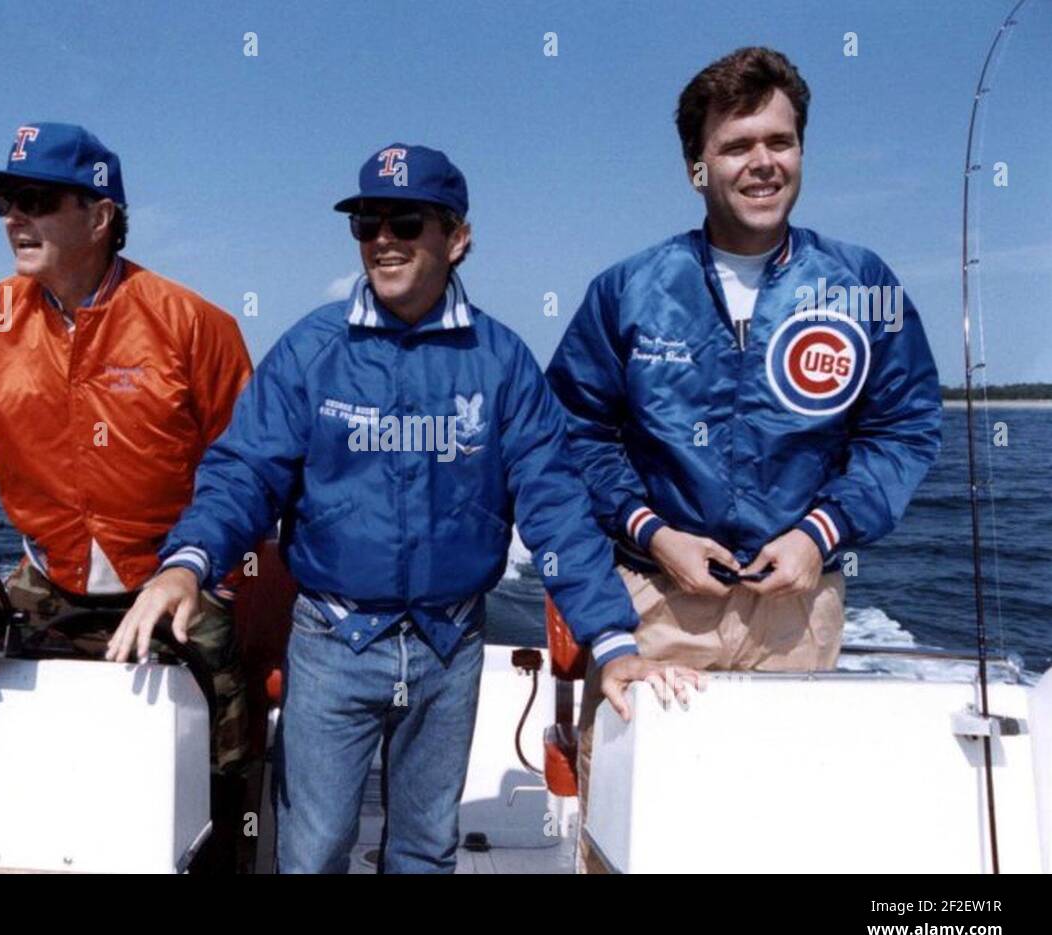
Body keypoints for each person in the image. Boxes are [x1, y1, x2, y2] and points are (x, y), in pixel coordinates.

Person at [109, 143, 643, 873]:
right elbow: (244, 473)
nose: (383, 239)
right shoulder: (310, 351)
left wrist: (611, 640)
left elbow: (555, 507)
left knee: (425, 851)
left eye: (405, 221)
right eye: (366, 224)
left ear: (457, 239)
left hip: (450, 645)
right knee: (313, 850)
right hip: (330, 641)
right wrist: (187, 563)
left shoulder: (504, 362)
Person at [545, 48, 943, 873]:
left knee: (777, 835)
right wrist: (653, 533)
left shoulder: (861, 284)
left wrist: (821, 533)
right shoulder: (628, 289)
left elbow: (903, 428)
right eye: (737, 146)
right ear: (697, 166)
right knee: (629, 836)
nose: (763, 162)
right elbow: (573, 433)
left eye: (781, 140)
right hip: (655, 608)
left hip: (798, 610)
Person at [0, 122, 254, 867]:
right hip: (47, 576)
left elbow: (246, 467)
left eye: (34, 199)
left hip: (167, 580)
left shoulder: (195, 325)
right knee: (15, 740)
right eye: (4, 203)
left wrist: (199, 572)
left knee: (216, 767)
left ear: (99, 216)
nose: (13, 218)